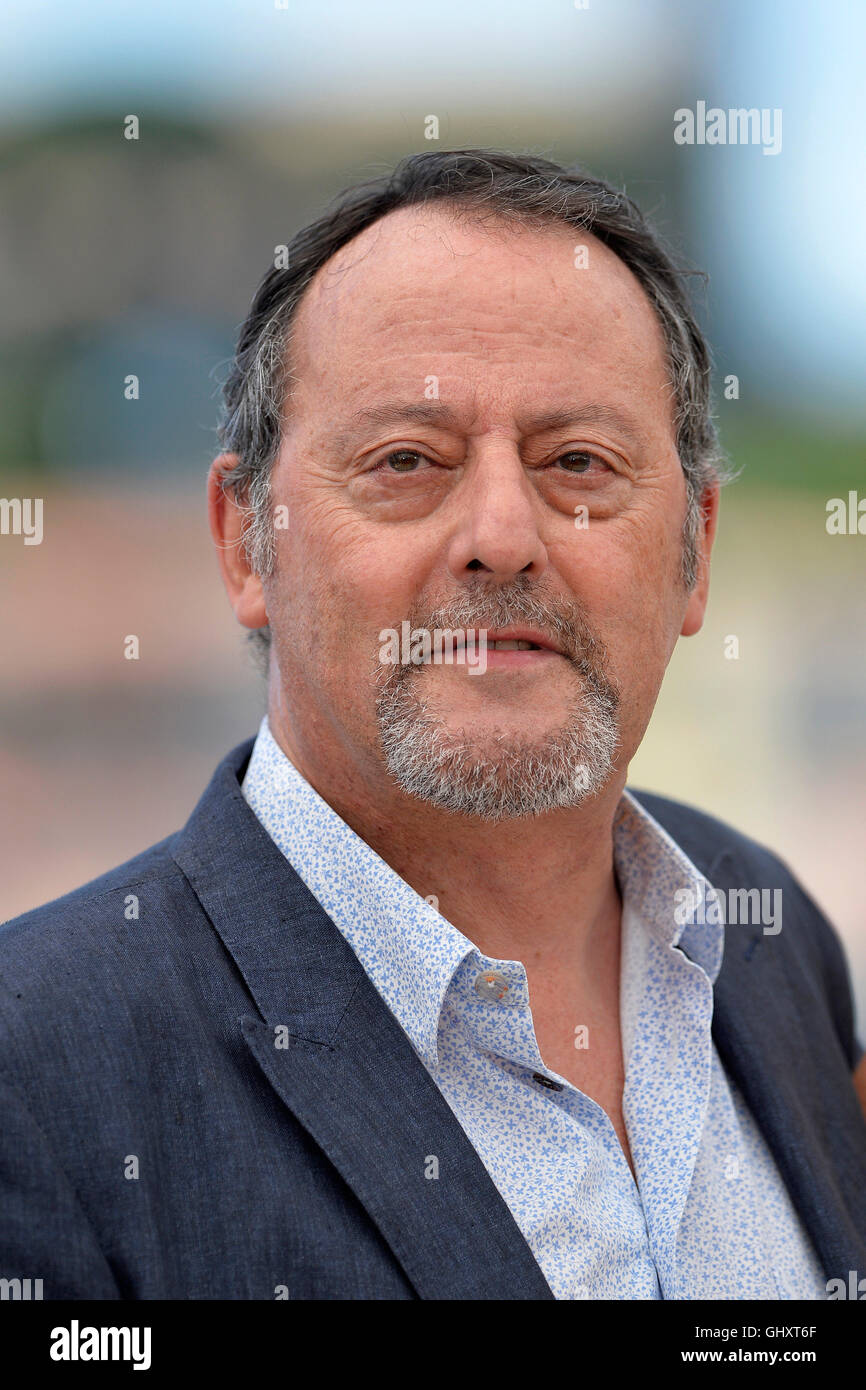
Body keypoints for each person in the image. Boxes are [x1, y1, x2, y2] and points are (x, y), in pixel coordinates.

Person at [1, 150, 864, 1301]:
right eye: (406, 461)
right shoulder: (35, 1067)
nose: (502, 534)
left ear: (692, 552)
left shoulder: (763, 935)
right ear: (244, 542)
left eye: (578, 463)